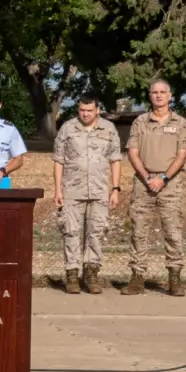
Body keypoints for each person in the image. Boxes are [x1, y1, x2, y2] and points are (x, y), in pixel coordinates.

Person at [124, 78, 186, 296]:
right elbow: (132, 152)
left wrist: (163, 178)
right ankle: (137, 277)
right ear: (150, 95)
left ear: (170, 95)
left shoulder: (180, 123)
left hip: (170, 183)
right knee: (139, 230)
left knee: (172, 231)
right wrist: (146, 177)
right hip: (143, 183)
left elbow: (182, 154)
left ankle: (174, 278)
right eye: (155, 92)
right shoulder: (140, 122)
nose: (159, 96)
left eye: (163, 92)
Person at [51, 94, 122, 294]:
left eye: (90, 110)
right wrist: (58, 190)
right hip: (73, 190)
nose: (85, 114)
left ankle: (91, 274)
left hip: (99, 191)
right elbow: (59, 160)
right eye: (82, 110)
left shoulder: (108, 129)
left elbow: (115, 159)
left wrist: (115, 189)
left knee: (96, 233)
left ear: (97, 110)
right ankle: (72, 275)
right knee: (71, 232)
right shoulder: (68, 128)